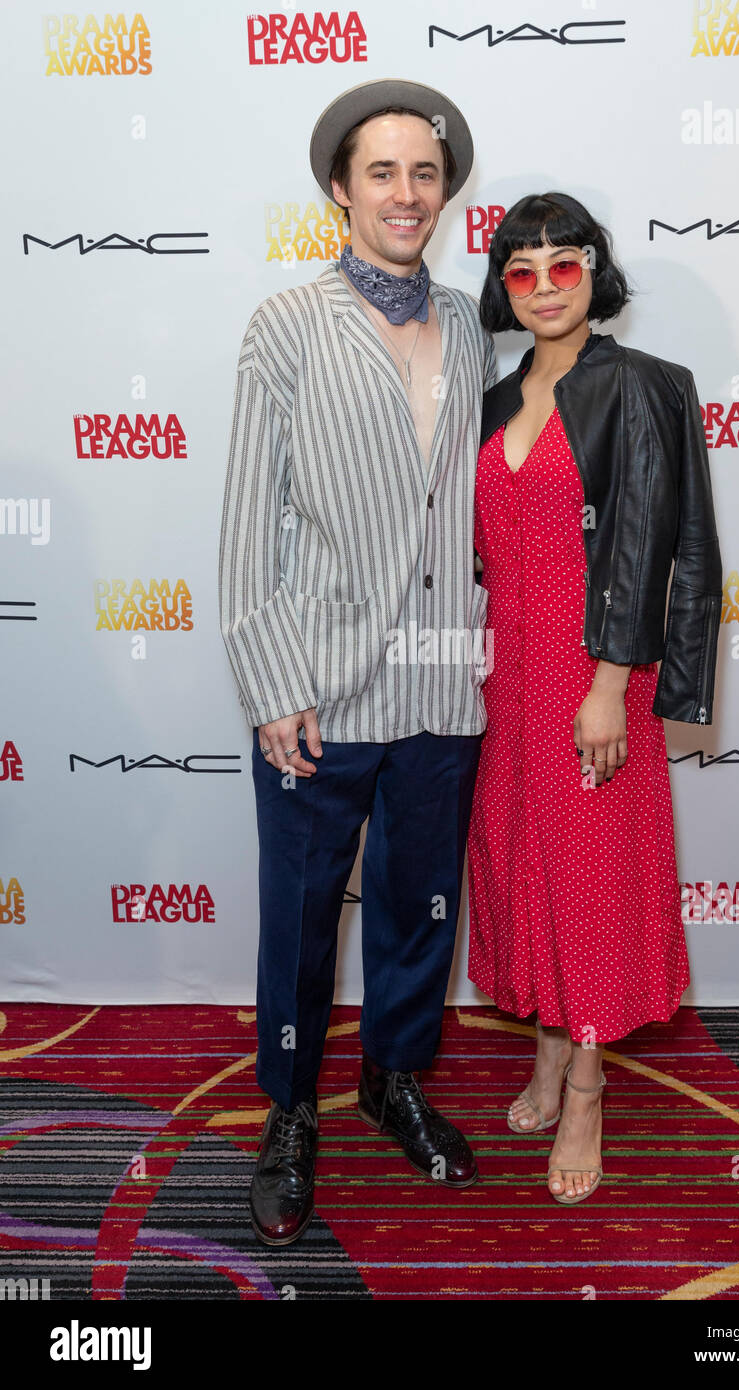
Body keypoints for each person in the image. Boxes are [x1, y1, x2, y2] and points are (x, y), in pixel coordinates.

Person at [218, 79, 497, 1245]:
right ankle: (291, 1110)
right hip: (320, 686)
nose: (405, 193)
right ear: (340, 189)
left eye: (423, 174)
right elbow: (247, 520)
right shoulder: (286, 323)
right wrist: (269, 680)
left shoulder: (478, 321)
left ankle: (395, 1077)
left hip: (441, 680)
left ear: (445, 193)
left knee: (419, 907)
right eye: (380, 172)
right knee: (298, 914)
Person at [467, 192, 722, 1205]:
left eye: (561, 267)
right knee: (526, 867)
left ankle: (585, 1088)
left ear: (593, 273)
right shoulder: (493, 401)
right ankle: (542, 1050)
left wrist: (611, 685)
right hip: (507, 674)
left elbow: (643, 544)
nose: (541, 289)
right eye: (520, 272)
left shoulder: (645, 387)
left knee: (589, 884)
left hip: (593, 674)